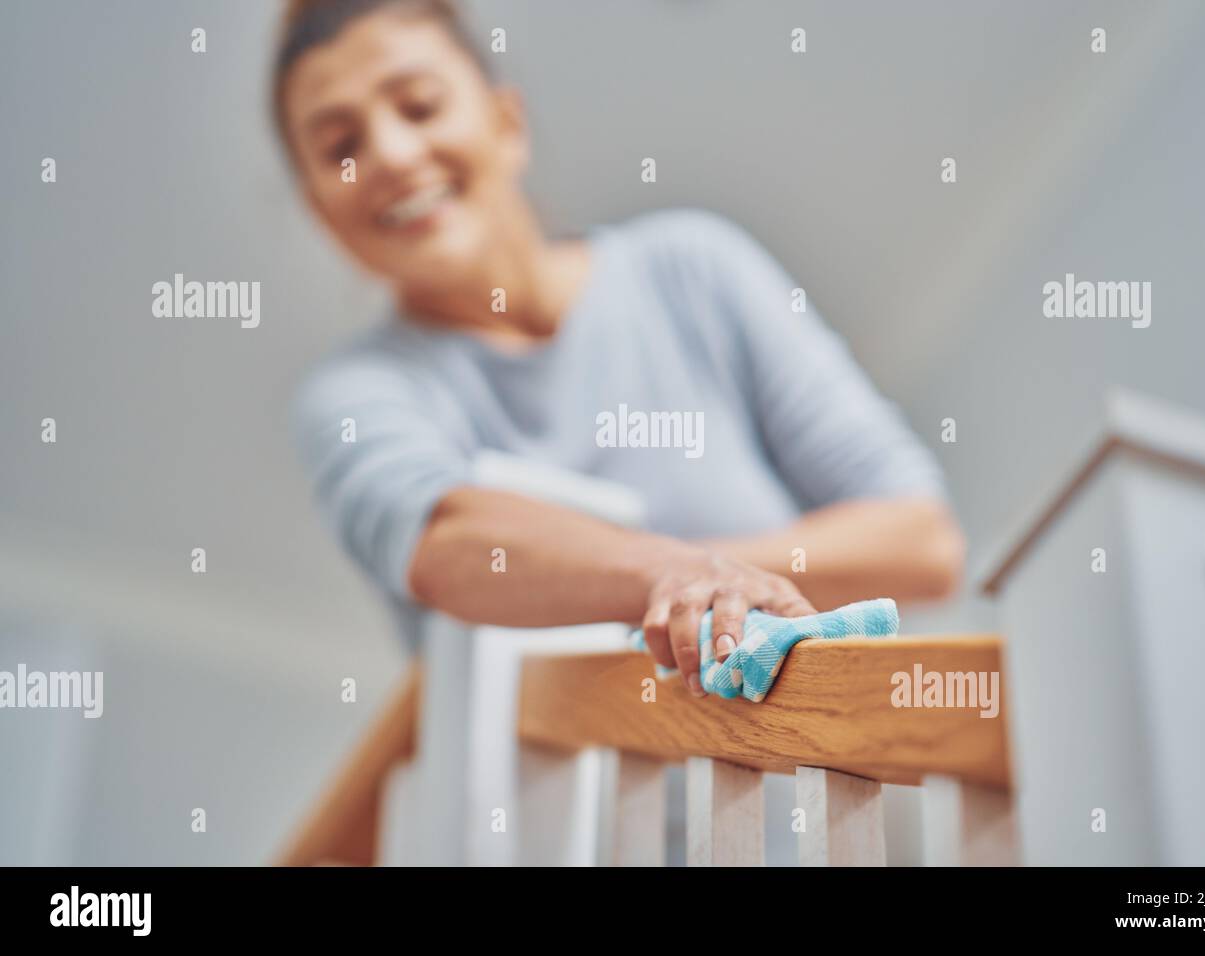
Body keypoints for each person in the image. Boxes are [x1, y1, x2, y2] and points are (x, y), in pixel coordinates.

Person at [277, 0, 965, 697]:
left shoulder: (692, 269)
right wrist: (673, 576)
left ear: (507, 124)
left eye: (420, 107)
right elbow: (446, 543)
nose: (390, 155)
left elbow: (922, 542)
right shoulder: (356, 394)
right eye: (341, 149)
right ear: (320, 214)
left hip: (807, 786)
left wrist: (694, 576)